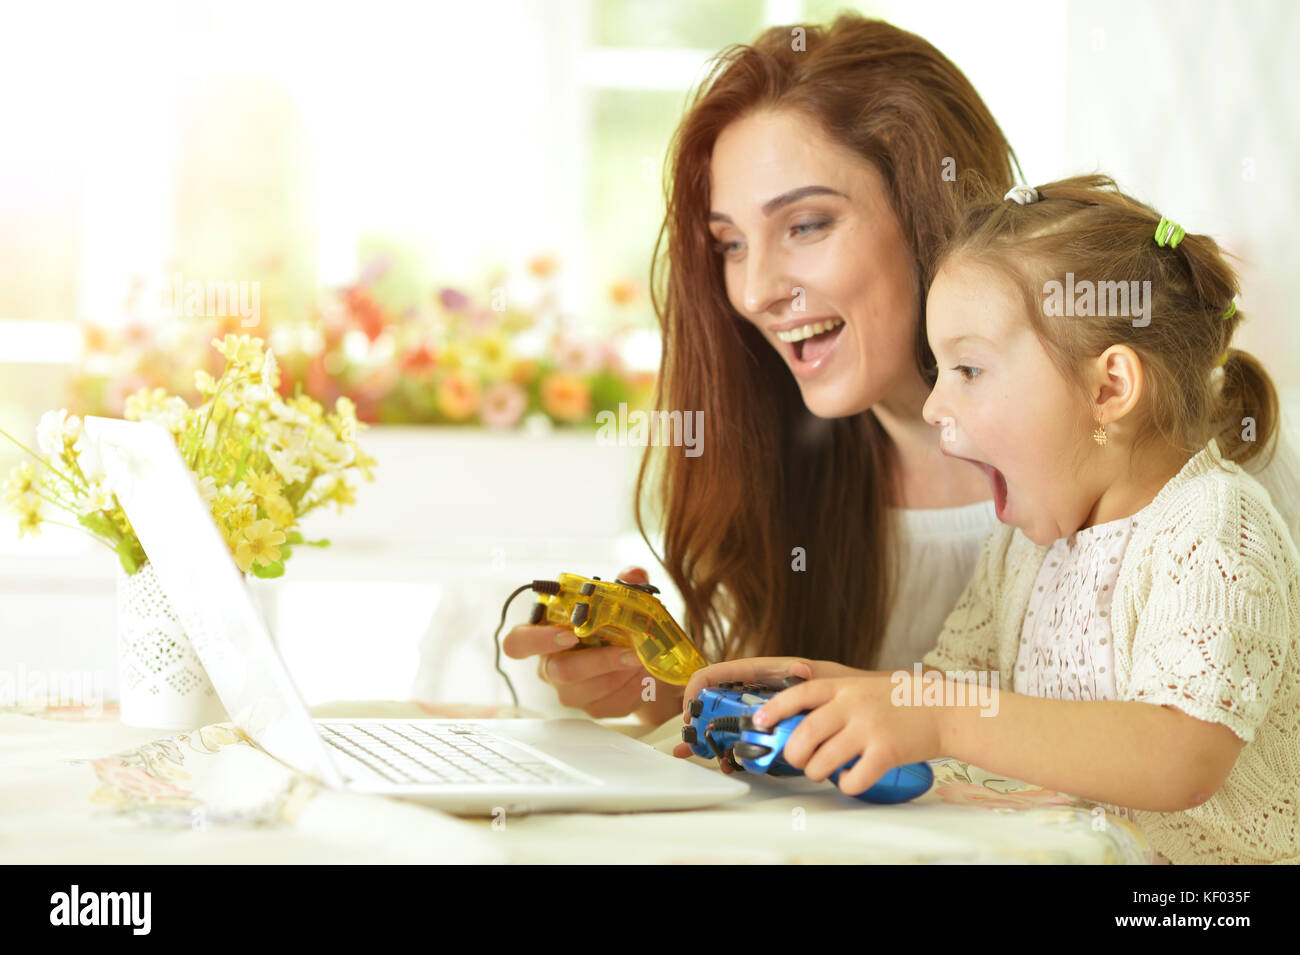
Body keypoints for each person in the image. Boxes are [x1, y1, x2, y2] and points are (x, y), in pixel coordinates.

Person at [501, 13, 1300, 727]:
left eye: (806, 224)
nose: (752, 291)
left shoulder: (1195, 473)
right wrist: (660, 692)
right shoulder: (777, 464)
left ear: (929, 211)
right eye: (730, 243)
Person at [675, 175, 1300, 865]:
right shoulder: (1024, 549)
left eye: (968, 368)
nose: (936, 404)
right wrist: (829, 693)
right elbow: (950, 692)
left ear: (1109, 388)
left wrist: (942, 719)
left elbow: (1180, 756)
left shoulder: (1215, 527)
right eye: (940, 369)